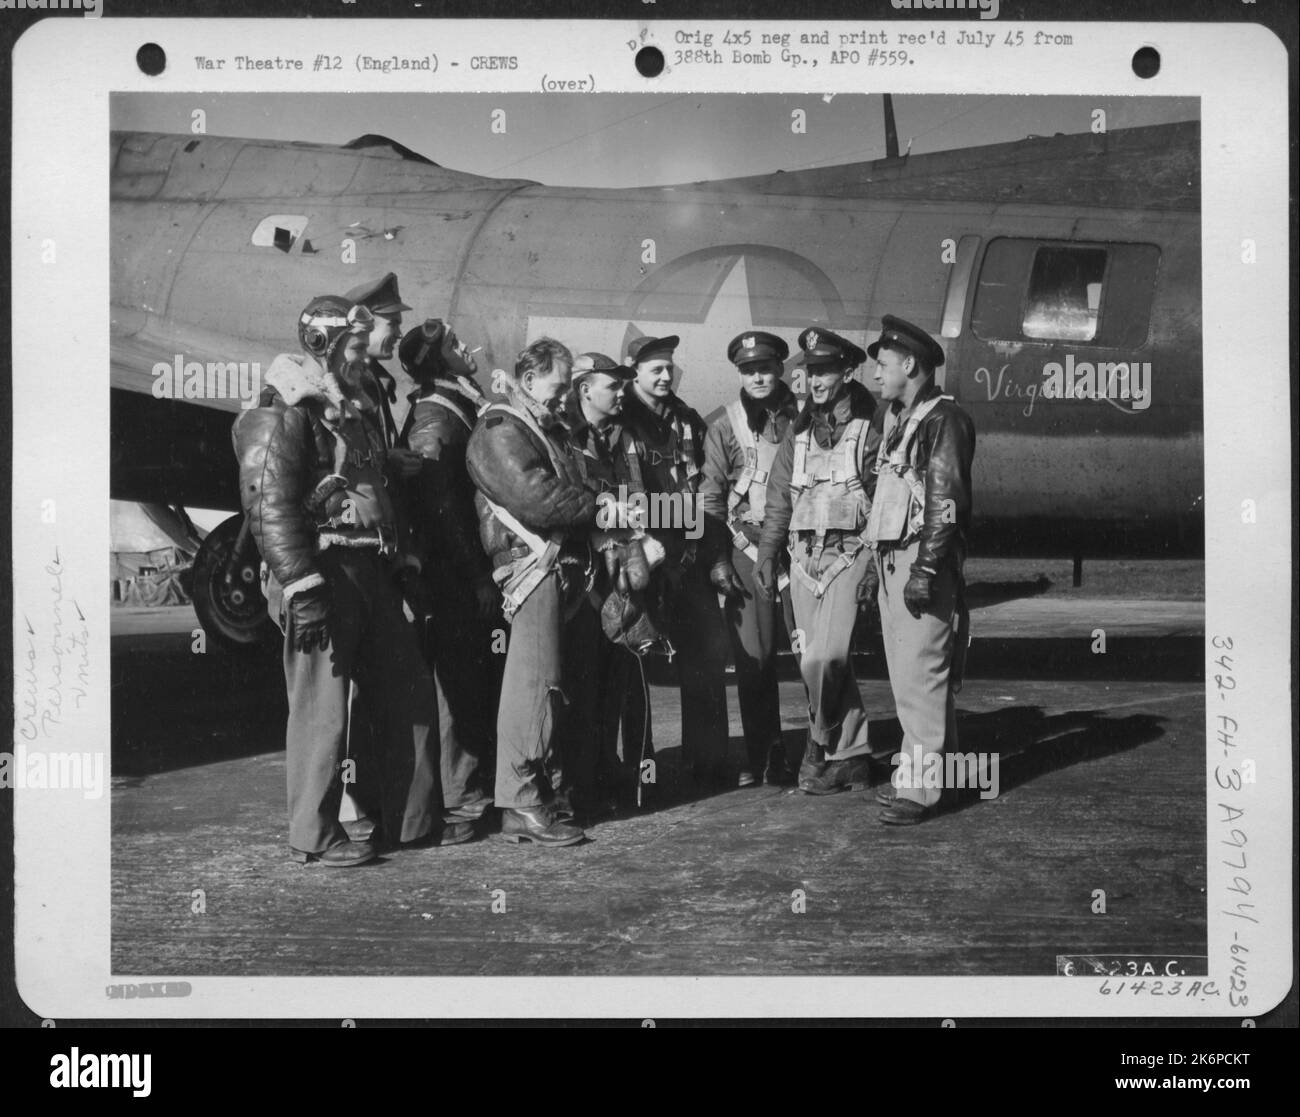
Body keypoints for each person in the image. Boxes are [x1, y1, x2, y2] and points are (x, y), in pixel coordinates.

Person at [231, 296, 440, 865]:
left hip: (371, 566)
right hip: (322, 573)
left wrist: (401, 555)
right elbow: (267, 504)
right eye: (354, 345)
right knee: (322, 708)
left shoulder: (353, 405)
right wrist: (301, 587)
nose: (363, 355)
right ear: (323, 343)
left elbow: (360, 479)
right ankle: (315, 834)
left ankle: (409, 821)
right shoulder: (283, 409)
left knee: (407, 689)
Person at [466, 337, 596, 846]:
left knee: (548, 686)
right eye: (558, 388)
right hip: (532, 570)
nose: (565, 398)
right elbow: (537, 498)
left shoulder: (535, 429)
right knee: (533, 686)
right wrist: (598, 507)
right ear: (528, 380)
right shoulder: (500, 430)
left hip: (552, 569)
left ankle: (536, 793)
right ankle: (520, 802)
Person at [755, 328, 880, 795]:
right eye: (811, 371)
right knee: (812, 659)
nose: (816, 380)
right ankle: (851, 757)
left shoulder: (871, 428)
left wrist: (874, 567)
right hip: (803, 557)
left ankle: (817, 741)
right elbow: (778, 500)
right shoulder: (798, 431)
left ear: (847, 372)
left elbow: (885, 502)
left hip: (850, 553)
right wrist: (768, 552)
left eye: (825, 371)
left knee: (828, 658)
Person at [863, 316, 975, 825]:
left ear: (910, 365)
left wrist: (925, 570)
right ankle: (934, 778)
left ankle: (921, 790)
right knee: (915, 677)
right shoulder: (902, 418)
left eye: (883, 365)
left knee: (920, 678)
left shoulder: (943, 420)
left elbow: (946, 502)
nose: (876, 375)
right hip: (894, 559)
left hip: (919, 560)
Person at [398, 318, 500, 840]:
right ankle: (460, 803)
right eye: (455, 344)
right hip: (450, 576)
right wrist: (477, 575)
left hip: (459, 571)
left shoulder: (457, 403)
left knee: (469, 679)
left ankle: (471, 791)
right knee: (456, 686)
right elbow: (443, 510)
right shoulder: (435, 418)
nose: (467, 346)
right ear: (438, 362)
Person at [619, 335, 733, 790]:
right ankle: (640, 773)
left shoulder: (686, 420)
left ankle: (709, 764)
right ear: (633, 371)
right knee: (634, 670)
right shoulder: (620, 421)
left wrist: (713, 554)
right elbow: (620, 496)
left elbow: (708, 489)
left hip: (687, 557)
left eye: (669, 368)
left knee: (706, 659)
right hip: (642, 557)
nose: (666, 376)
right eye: (656, 370)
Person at [699, 331, 803, 787]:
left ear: (780, 368)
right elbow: (711, 497)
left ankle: (827, 751)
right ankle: (766, 755)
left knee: (813, 655)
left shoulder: (807, 416)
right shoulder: (724, 425)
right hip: (748, 550)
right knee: (755, 661)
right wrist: (718, 559)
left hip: (803, 549)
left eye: (764, 368)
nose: (757, 377)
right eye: (748, 371)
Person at [559, 352, 650, 819]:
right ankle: (575, 785)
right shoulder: (562, 439)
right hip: (581, 581)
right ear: (584, 390)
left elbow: (639, 498)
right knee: (580, 684)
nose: (620, 393)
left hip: (619, 578)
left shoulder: (621, 438)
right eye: (611, 385)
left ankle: (603, 770)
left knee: (614, 681)